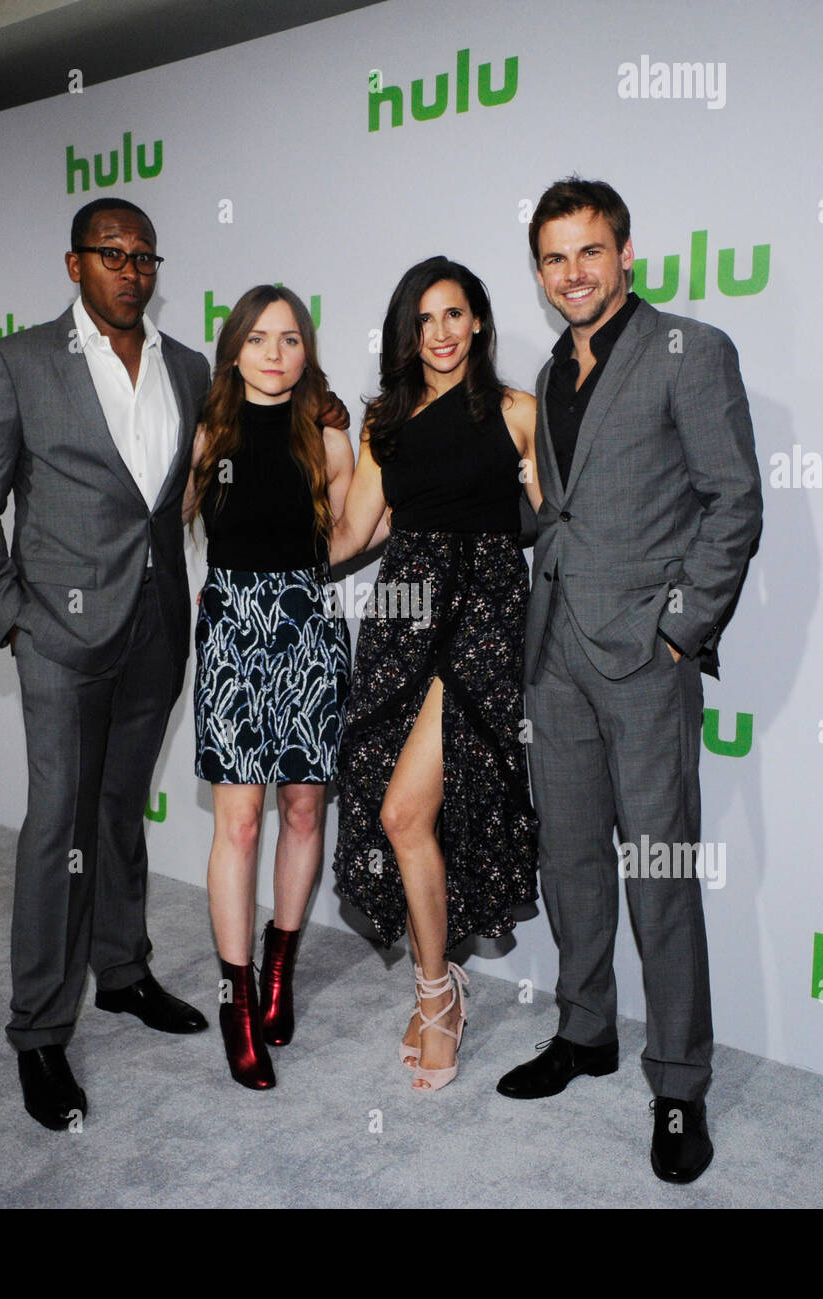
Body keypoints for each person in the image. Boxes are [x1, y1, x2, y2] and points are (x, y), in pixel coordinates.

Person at [495, 177, 762, 1183]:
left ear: (626, 254)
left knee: (656, 872)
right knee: (568, 858)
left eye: (590, 252)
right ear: (539, 272)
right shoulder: (550, 369)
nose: (573, 272)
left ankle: (680, 1084)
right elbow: (555, 515)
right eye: (555, 257)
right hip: (554, 646)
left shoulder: (691, 351)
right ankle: (584, 1030)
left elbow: (732, 499)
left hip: (643, 658)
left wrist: (680, 632)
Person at [0, 197, 211, 1131]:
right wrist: (12, 615)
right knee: (58, 821)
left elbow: (186, 490)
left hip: (154, 630)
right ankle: (39, 1029)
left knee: (119, 807)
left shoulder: (188, 366)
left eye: (144, 255)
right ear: (74, 264)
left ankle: (123, 972)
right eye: (112, 253)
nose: (131, 270)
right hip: (60, 636)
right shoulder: (15, 363)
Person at [330, 255, 541, 1092]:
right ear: (407, 331)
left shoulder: (520, 412)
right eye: (424, 319)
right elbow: (353, 534)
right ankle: (439, 985)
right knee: (400, 817)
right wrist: (264, 558)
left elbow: (560, 519)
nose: (441, 333)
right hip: (402, 617)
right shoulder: (385, 419)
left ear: (480, 321)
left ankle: (435, 996)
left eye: (455, 315)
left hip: (483, 618)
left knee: (402, 808)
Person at [183, 285, 355, 1090]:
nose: (276, 353)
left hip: (309, 626)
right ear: (235, 348)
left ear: (305, 350)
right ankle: (237, 997)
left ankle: (281, 968)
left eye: (290, 339)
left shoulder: (325, 436)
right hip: (230, 631)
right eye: (259, 338)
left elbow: (352, 532)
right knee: (241, 821)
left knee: (302, 807)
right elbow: (161, 518)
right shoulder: (207, 430)